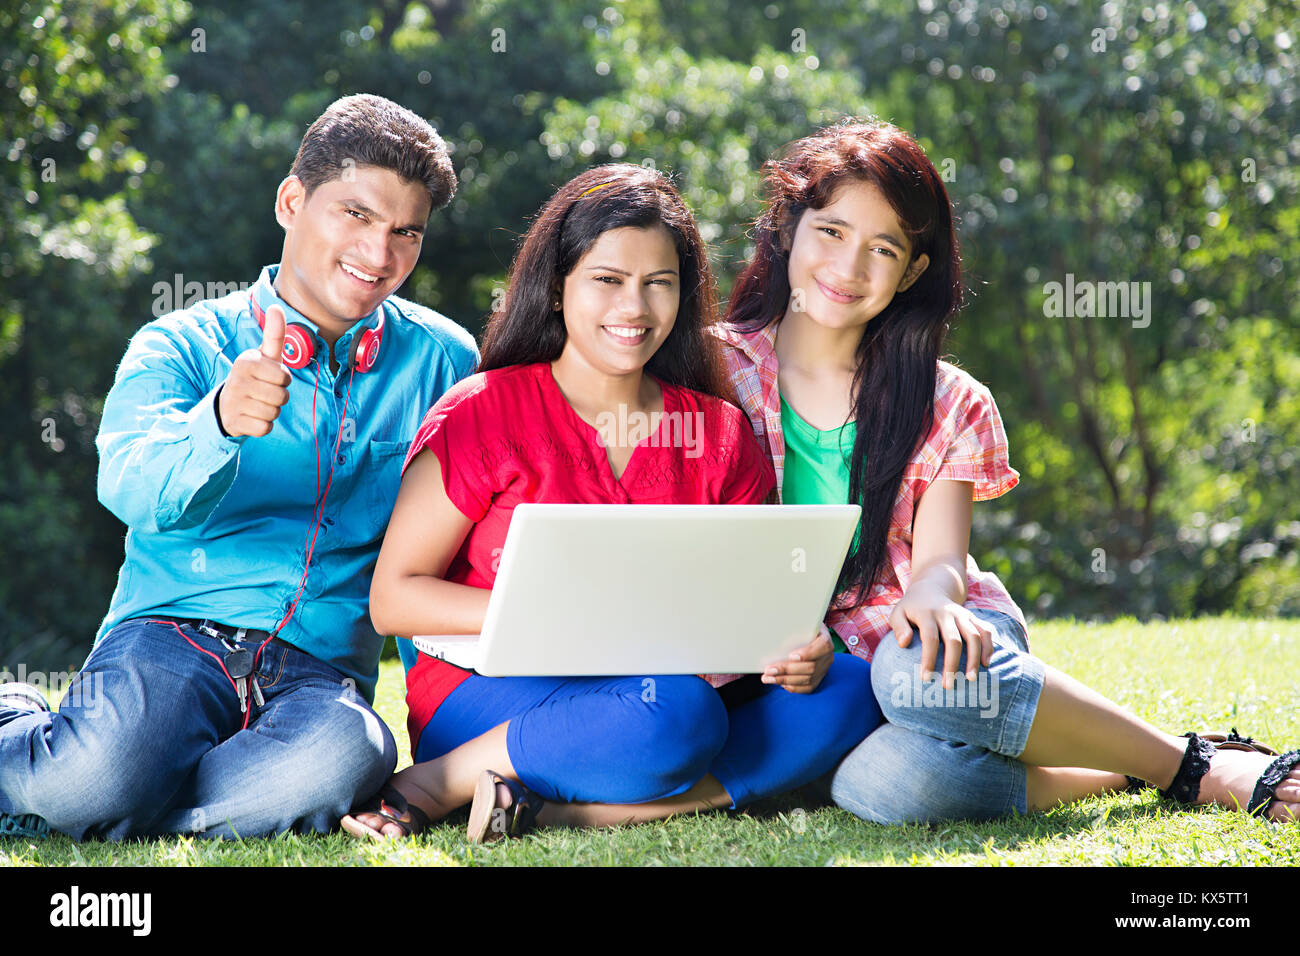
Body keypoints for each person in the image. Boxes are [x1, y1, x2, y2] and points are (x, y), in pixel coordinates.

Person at [711, 119, 1300, 824]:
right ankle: (1116, 770)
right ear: (786, 230)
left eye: (884, 248)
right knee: (888, 789)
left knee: (911, 674)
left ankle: (1192, 767)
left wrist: (932, 600)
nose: (849, 267)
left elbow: (941, 563)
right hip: (811, 684)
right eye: (831, 232)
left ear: (913, 272)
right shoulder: (712, 374)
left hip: (928, 646)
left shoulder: (949, 400)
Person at [341, 163, 881, 841]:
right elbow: (395, 599)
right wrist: (569, 611)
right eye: (608, 280)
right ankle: (440, 780)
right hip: (500, 694)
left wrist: (797, 649)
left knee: (853, 689)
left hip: (665, 692)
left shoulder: (715, 431)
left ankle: (567, 814)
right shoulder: (485, 411)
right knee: (674, 712)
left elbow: (761, 599)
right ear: (559, 287)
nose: (635, 309)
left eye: (660, 284)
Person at [0, 94, 479, 841]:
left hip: (321, 674)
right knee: (88, 780)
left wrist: (440, 737)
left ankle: (130, 799)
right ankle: (42, 739)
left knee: (350, 754)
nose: (380, 255)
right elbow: (129, 485)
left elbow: (446, 550)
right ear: (293, 201)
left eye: (405, 232)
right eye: (355, 215)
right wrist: (218, 423)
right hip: (171, 637)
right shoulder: (180, 343)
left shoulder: (446, 362)